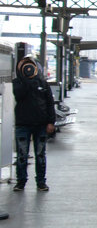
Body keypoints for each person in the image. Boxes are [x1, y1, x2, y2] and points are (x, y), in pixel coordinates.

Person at [12, 55, 56, 192]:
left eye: (30, 66)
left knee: (40, 154)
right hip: (22, 124)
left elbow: (50, 103)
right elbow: (19, 95)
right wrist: (26, 79)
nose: (28, 68)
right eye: (25, 66)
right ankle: (21, 182)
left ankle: (41, 182)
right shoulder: (17, 83)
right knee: (22, 155)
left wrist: (51, 122)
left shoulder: (43, 83)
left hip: (41, 125)